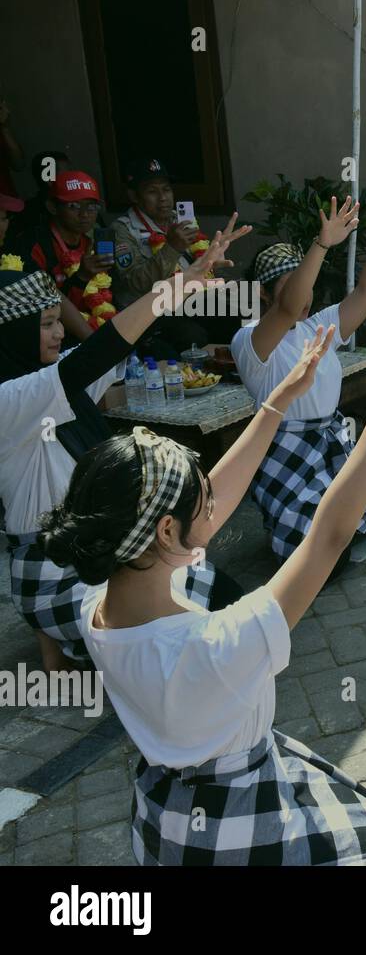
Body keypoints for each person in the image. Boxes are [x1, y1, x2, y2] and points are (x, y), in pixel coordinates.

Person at [43, 327, 366, 865]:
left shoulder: (97, 601)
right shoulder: (216, 644)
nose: (209, 508)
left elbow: (204, 512)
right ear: (166, 533)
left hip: (166, 817)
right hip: (243, 824)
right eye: (198, 500)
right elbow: (328, 535)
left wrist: (277, 402)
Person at [1, 227, 249, 672]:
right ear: (12, 333)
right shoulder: (9, 400)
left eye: (59, 319)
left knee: (226, 601)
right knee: (183, 643)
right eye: (45, 324)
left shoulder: (52, 375)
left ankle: (89, 654)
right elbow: (94, 356)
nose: (59, 332)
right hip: (52, 572)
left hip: (102, 550)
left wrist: (180, 285)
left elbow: (112, 347)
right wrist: (169, 288)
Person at [231, 195, 366, 572]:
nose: (304, 297)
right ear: (262, 293)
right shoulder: (250, 339)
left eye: (306, 286)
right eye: (292, 286)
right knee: (329, 567)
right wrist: (321, 244)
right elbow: (288, 307)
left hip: (335, 445)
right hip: (287, 458)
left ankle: (341, 524)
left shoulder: (315, 326)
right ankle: (320, 530)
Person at [111, 157, 211, 358]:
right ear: (134, 196)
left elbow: (201, 262)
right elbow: (135, 282)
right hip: (149, 312)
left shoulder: (180, 218)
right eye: (152, 191)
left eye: (166, 190)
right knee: (193, 336)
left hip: (191, 301)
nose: (163, 197)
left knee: (242, 310)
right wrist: (172, 247)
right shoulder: (123, 229)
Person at [18, 170, 109, 335]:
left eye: (91, 206)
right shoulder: (35, 245)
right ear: (52, 207)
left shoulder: (91, 243)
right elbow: (45, 309)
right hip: (53, 333)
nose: (85, 214)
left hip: (94, 326)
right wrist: (81, 277)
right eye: (74, 206)